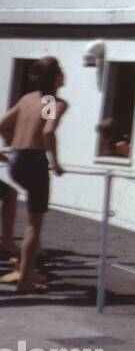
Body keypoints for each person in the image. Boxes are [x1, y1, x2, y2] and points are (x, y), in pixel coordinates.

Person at [0, 58, 68, 294]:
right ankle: (25, 280)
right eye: (62, 72)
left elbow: (2, 124)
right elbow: (48, 132)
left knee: (30, 216)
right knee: (33, 225)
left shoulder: (27, 99)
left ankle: (28, 267)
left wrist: (11, 146)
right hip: (34, 162)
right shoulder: (50, 101)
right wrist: (56, 163)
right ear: (56, 78)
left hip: (16, 161)